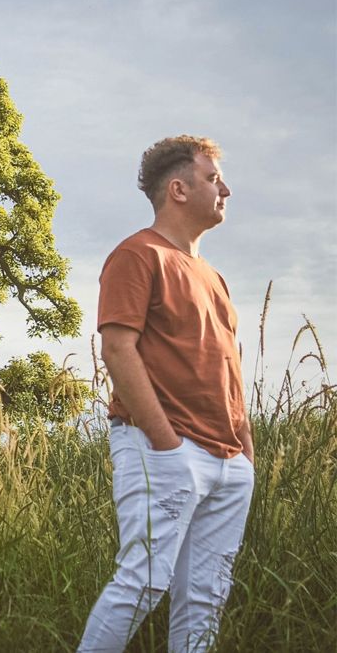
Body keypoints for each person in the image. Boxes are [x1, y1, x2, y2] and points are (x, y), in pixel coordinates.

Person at [77, 135, 255, 652]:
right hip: (164, 449)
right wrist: (166, 444)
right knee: (142, 583)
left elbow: (228, 365)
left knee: (205, 596)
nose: (226, 189)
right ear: (177, 189)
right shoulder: (137, 255)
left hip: (227, 461)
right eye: (212, 179)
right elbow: (118, 350)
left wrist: (245, 447)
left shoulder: (214, 277)